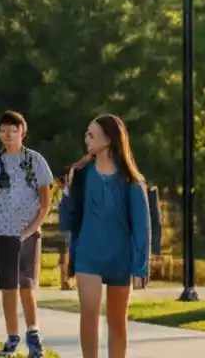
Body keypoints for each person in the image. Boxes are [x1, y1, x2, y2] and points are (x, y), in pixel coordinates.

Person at [59, 114, 151, 358]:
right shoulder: (80, 176)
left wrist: (140, 267)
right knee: (89, 315)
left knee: (117, 321)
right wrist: (67, 191)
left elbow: (142, 227)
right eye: (86, 133)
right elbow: (66, 222)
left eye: (91, 134)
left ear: (109, 139)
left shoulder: (131, 181)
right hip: (88, 256)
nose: (86, 138)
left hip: (120, 259)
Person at [0, 111, 54, 358]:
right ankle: (12, 337)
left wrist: (32, 228)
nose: (7, 134)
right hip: (1, 232)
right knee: (7, 287)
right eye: (3, 130)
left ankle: (34, 335)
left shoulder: (36, 161)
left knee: (26, 286)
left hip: (28, 232)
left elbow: (45, 202)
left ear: (22, 131)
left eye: (12, 129)